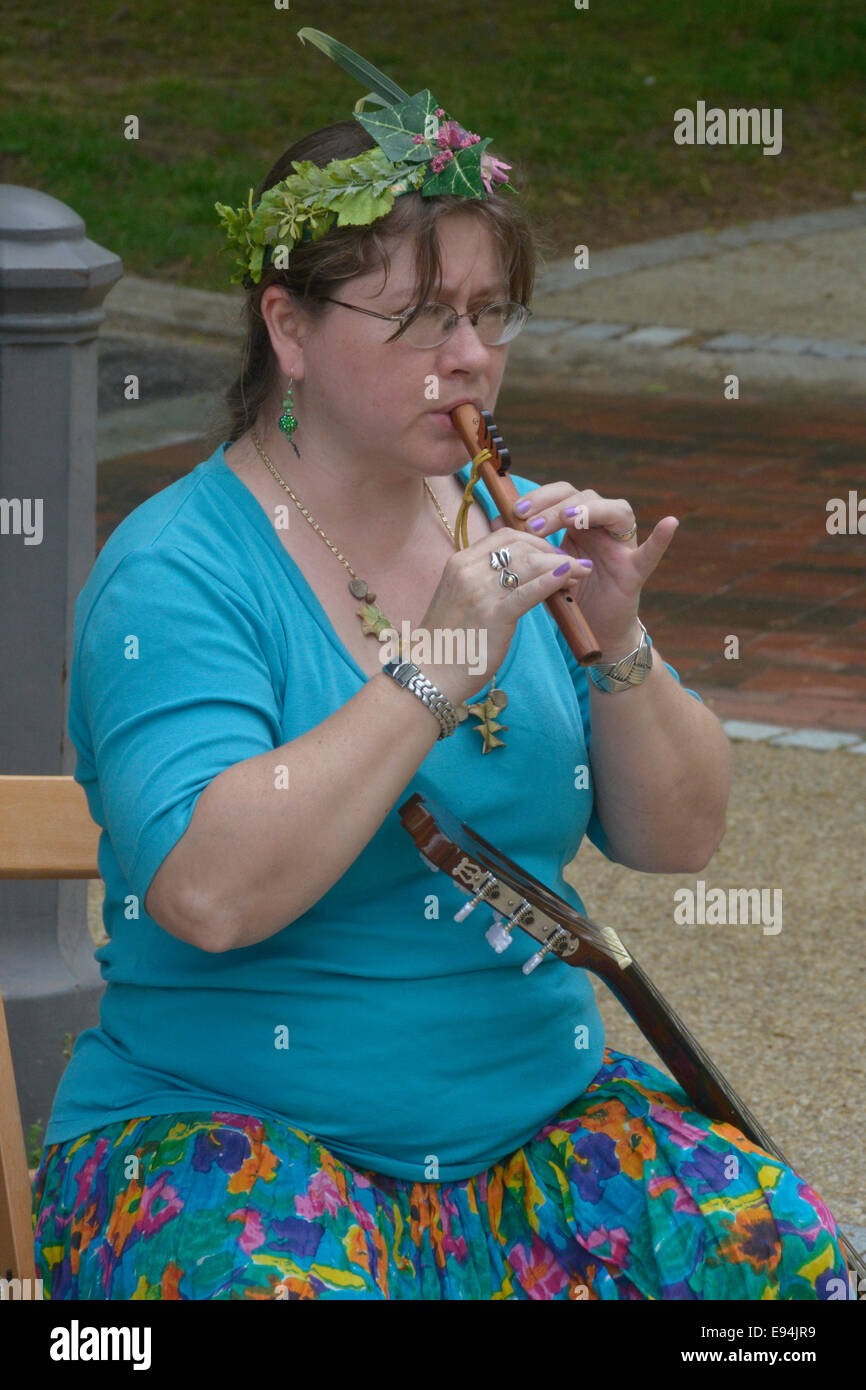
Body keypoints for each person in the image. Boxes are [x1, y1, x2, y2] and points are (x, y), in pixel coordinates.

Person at [32, 30, 850, 1301]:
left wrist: (621, 639)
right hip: (230, 1138)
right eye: (418, 316)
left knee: (784, 1274)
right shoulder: (177, 570)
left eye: (486, 313)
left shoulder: (508, 519)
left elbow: (681, 836)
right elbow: (207, 897)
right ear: (287, 330)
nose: (468, 357)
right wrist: (431, 672)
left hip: (533, 1128)